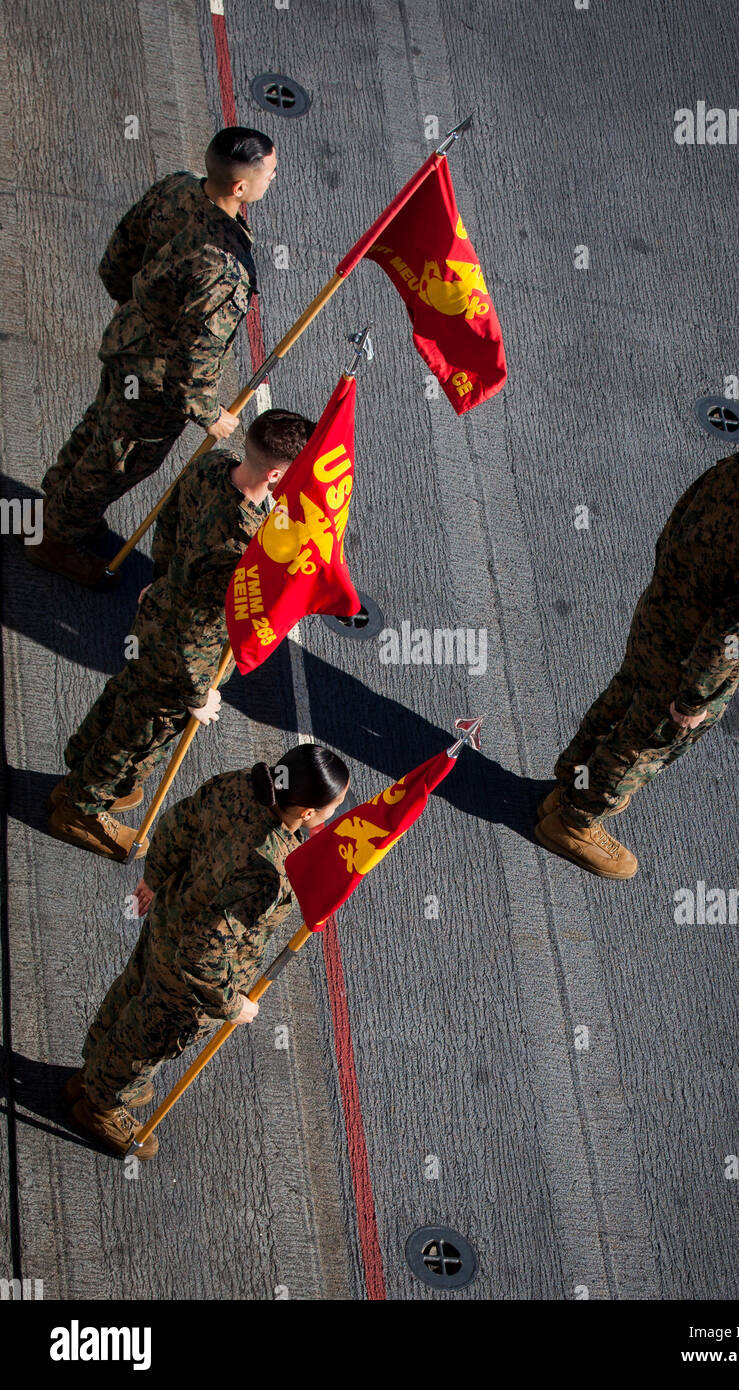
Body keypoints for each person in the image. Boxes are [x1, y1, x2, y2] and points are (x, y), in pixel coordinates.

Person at [536, 433, 739, 879]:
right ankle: (574, 822)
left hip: (656, 616)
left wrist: (666, 587)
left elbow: (678, 517)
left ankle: (571, 782)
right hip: (686, 663)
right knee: (643, 743)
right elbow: (730, 639)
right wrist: (693, 702)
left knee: (619, 699)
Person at [48, 409, 314, 861]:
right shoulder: (244, 545)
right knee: (138, 732)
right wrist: (196, 694)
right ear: (275, 474)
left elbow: (169, 521)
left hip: (156, 613)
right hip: (182, 655)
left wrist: (164, 576)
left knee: (124, 696)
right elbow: (194, 634)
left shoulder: (214, 465)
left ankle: (81, 767)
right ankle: (80, 807)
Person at [65, 746, 350, 1160]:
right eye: (333, 807)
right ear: (306, 812)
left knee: (133, 991)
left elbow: (176, 825)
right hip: (189, 980)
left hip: (167, 920)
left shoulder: (241, 783)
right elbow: (203, 955)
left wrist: (153, 879)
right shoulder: (268, 871)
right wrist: (231, 1004)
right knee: (150, 1040)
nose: (335, 813)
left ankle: (94, 1069)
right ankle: (102, 1105)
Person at [28, 127, 278, 588]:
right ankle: (56, 539)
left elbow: (119, 255)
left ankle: (55, 502)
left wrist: (135, 310)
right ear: (240, 187)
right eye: (270, 173)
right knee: (116, 462)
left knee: (97, 430)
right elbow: (195, 360)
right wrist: (210, 416)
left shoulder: (177, 187)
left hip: (126, 342)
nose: (273, 180)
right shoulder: (223, 265)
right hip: (154, 386)